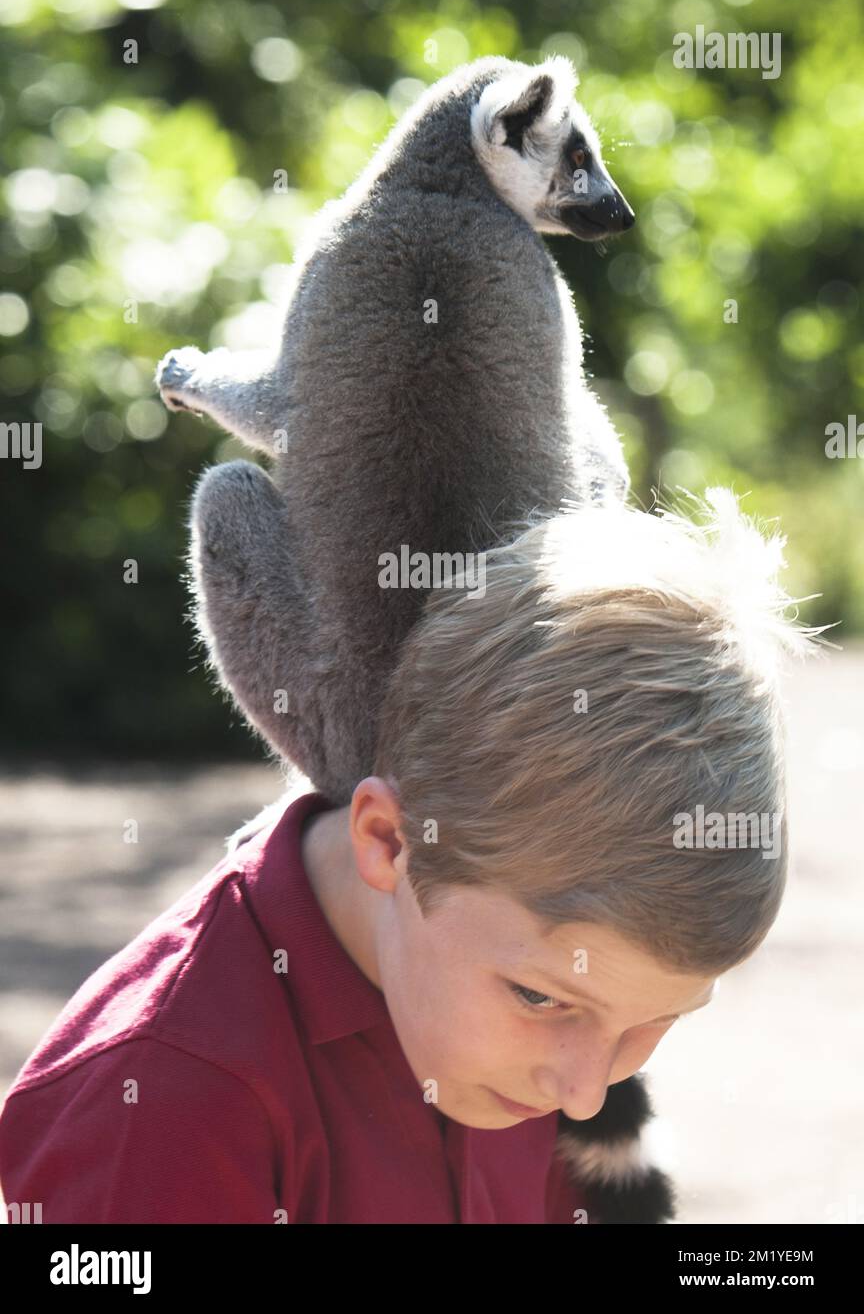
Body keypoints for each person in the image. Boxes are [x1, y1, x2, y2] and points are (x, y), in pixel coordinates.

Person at [0, 489, 819, 1222]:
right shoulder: (163, 1107)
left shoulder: (518, 1027)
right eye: (539, 998)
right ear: (389, 843)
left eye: (653, 1023)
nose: (584, 1090)